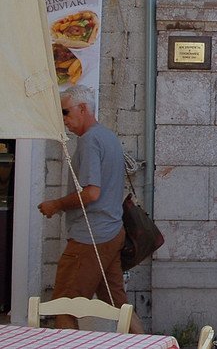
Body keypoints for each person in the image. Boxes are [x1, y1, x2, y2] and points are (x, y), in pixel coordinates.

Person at [38, 85, 143, 333]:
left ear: (83, 108)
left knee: (63, 306)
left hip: (90, 236)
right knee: (120, 307)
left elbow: (91, 193)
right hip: (110, 231)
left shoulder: (89, 141)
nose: (64, 120)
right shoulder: (107, 137)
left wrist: (56, 204)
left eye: (65, 112)